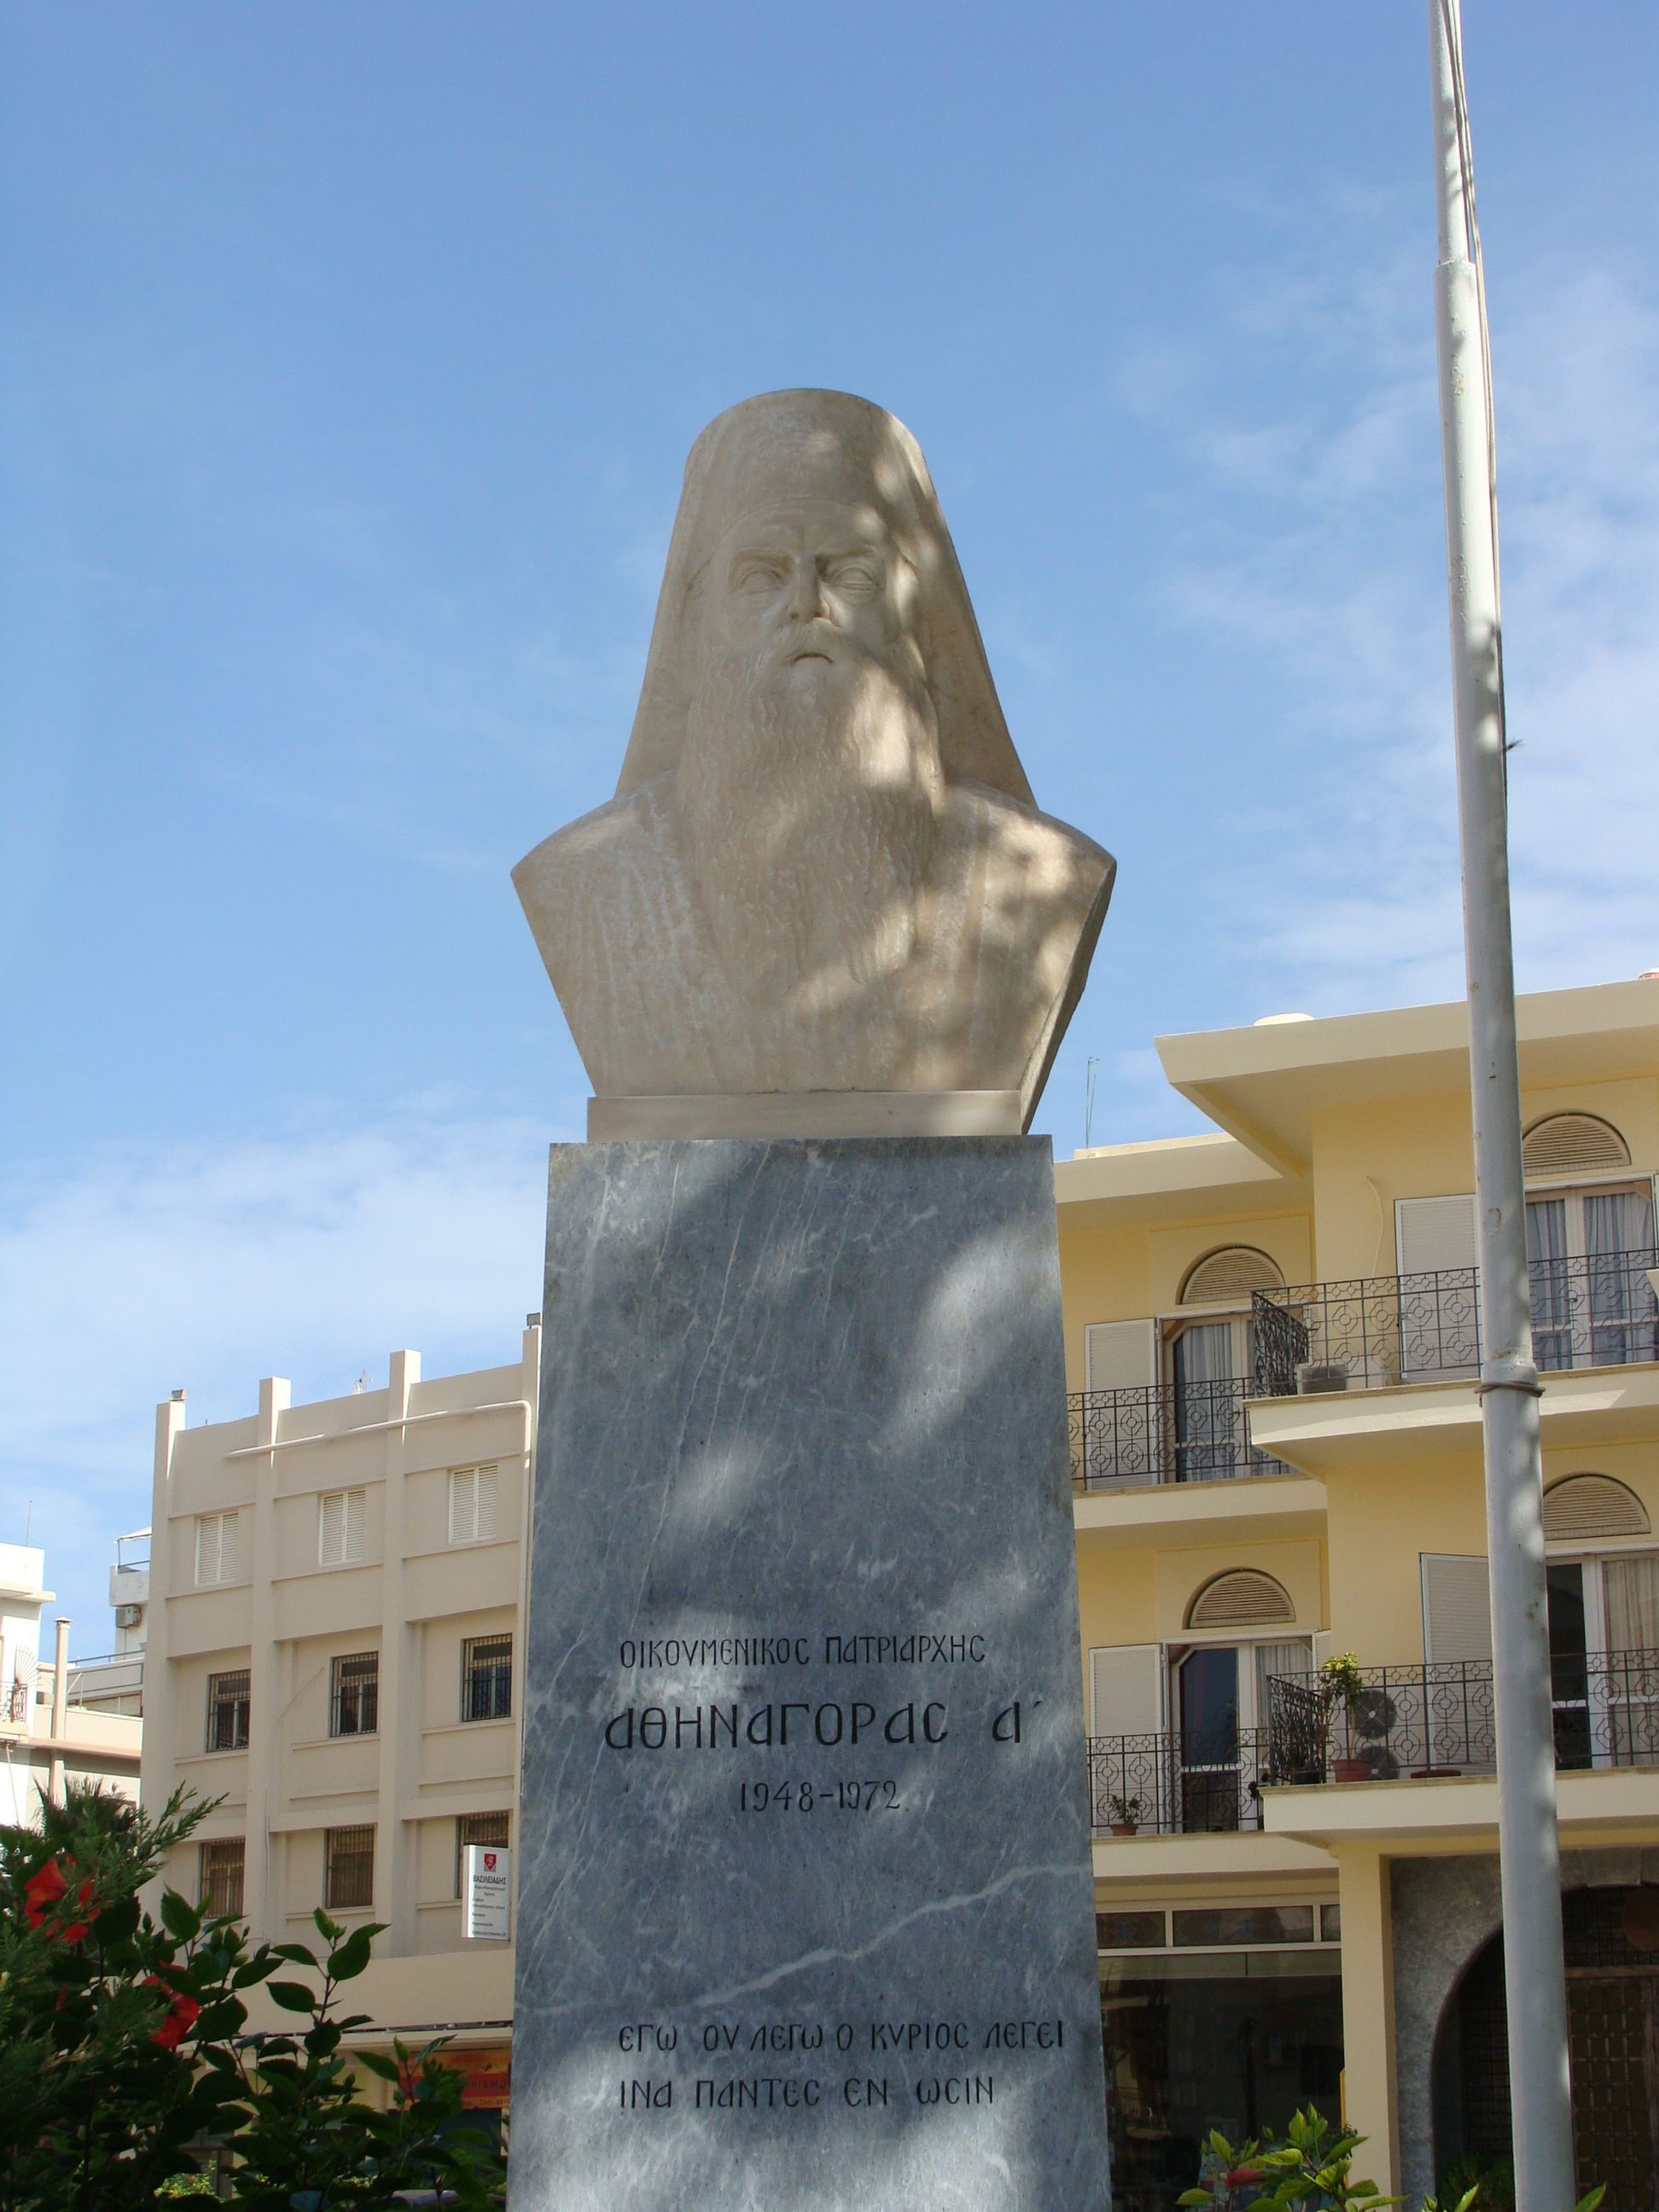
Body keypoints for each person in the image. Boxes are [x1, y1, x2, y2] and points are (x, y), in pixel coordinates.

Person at [513, 388, 1114, 1120]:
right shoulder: (590, 878)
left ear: (914, 619)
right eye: (760, 575)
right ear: (698, 624)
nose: (805, 602)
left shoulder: (1040, 873)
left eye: (849, 574)